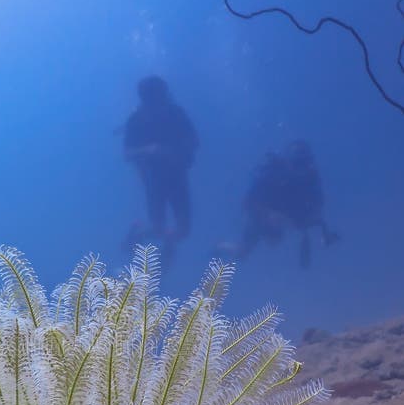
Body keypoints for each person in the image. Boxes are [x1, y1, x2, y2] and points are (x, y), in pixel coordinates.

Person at [218, 140, 340, 268]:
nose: (300, 170)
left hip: (292, 216)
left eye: (304, 164)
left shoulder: (311, 179)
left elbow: (318, 205)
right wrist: (267, 214)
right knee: (242, 252)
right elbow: (248, 202)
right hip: (263, 215)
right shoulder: (273, 175)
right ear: (289, 163)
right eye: (297, 164)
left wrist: (307, 220)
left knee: (269, 243)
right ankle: (221, 246)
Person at [123, 76, 199, 262]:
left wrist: (177, 151)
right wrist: (150, 150)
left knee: (183, 231)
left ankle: (165, 246)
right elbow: (127, 153)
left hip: (178, 175)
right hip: (153, 178)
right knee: (158, 227)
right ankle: (140, 232)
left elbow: (195, 141)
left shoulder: (176, 113)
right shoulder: (136, 119)